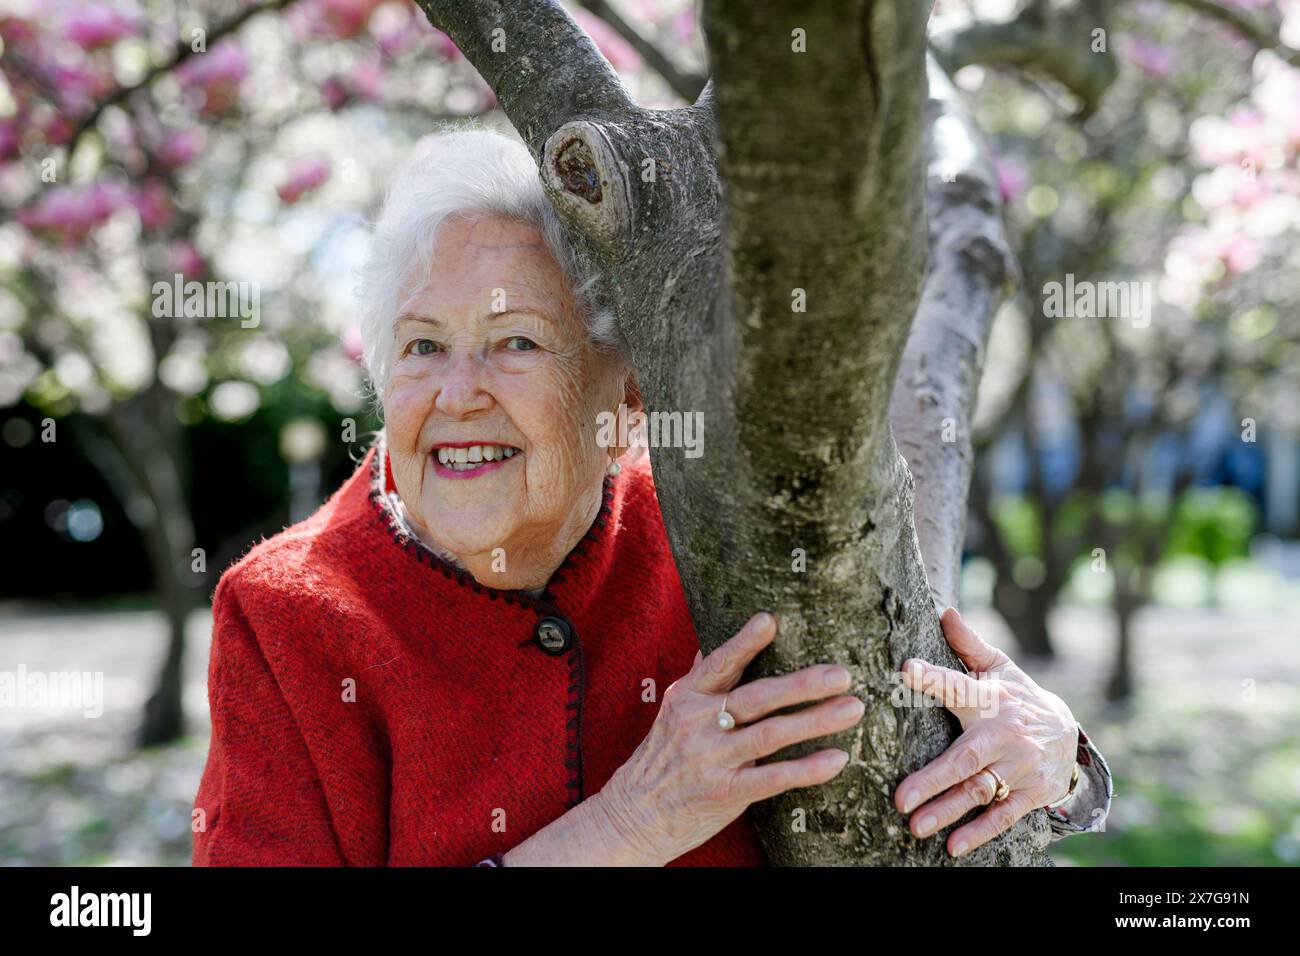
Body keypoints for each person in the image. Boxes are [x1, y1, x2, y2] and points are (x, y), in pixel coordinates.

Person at [191, 126, 1112, 866]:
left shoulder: (729, 535)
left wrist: (1056, 760)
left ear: (628, 393)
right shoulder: (287, 617)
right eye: (422, 347)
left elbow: (945, 731)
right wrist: (624, 830)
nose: (455, 392)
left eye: (515, 341)